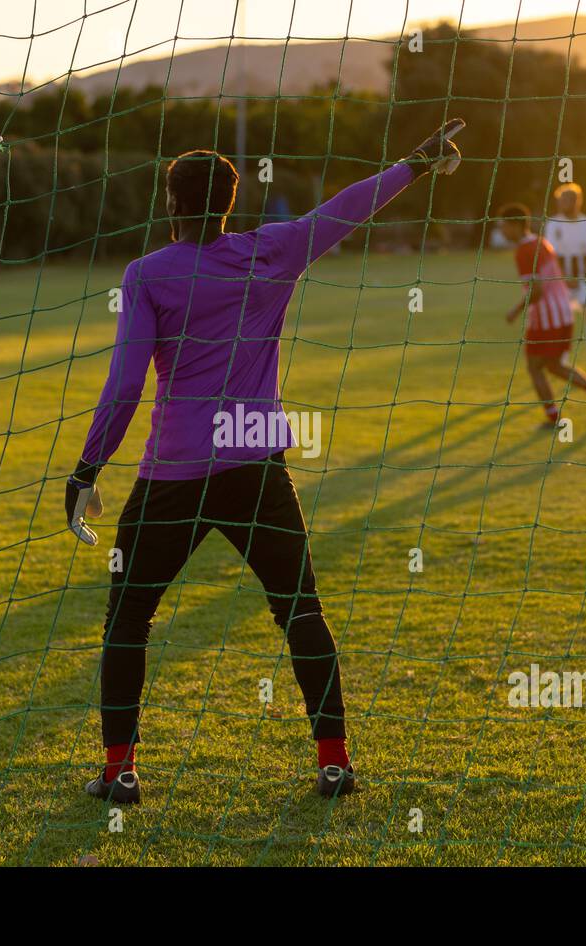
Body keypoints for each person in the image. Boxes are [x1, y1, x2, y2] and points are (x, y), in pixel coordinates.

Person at [65, 121, 466, 803]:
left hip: (176, 471)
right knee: (300, 609)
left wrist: (86, 469)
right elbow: (345, 208)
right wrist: (417, 164)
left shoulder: (146, 275)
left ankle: (119, 769)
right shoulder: (272, 249)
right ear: (228, 202)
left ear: (171, 202)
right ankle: (334, 760)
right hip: (257, 458)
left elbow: (127, 385)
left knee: (128, 618)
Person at [497, 202, 586, 427]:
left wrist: (515, 311)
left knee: (534, 366)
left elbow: (537, 290)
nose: (501, 231)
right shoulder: (541, 243)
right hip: (564, 313)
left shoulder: (524, 250)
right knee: (553, 365)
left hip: (546, 318)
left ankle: (554, 418)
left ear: (515, 226)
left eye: (503, 226)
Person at [543, 182, 586, 376]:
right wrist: (562, 277)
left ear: (577, 201)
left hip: (584, 280)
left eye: (566, 200)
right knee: (564, 321)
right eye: (560, 200)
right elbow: (550, 256)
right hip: (560, 282)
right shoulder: (553, 224)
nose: (562, 203)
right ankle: (561, 362)